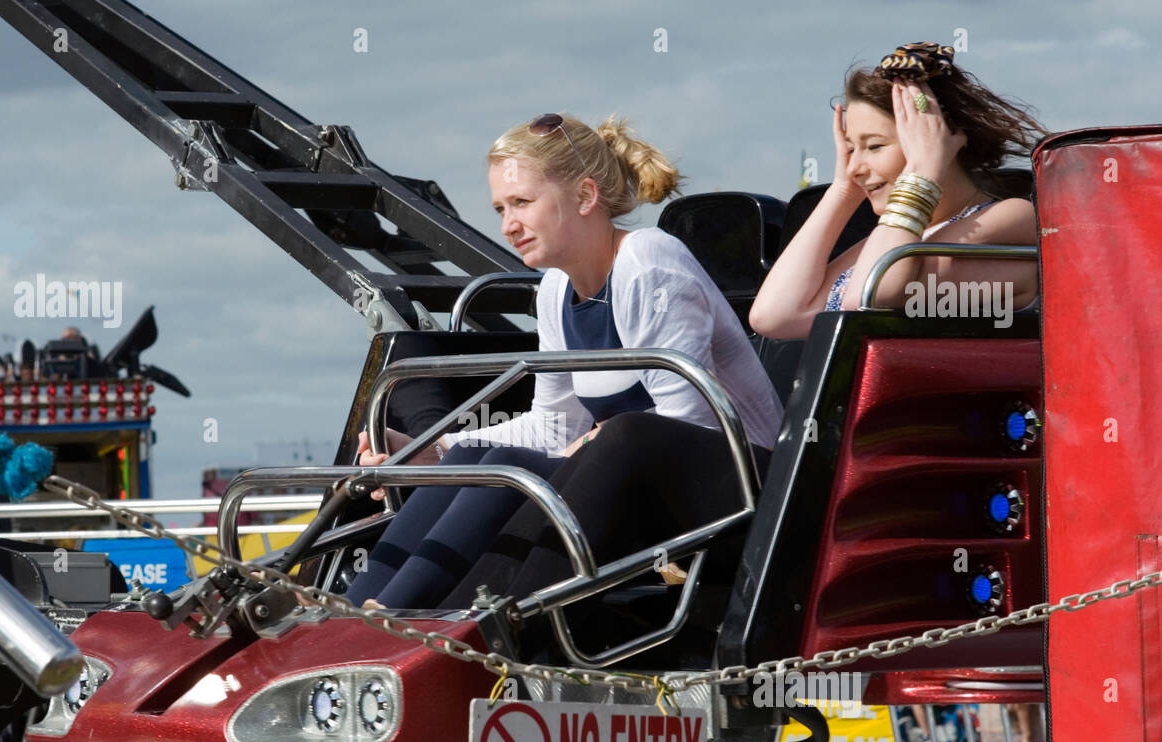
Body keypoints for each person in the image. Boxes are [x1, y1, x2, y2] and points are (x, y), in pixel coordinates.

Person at [345, 113, 783, 616]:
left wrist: (592, 444)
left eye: (522, 203)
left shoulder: (649, 262)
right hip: (650, 481)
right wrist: (433, 450)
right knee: (473, 458)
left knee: (613, 439)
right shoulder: (555, 289)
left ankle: (435, 625)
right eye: (501, 209)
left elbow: (688, 426)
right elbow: (554, 427)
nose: (509, 224)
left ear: (584, 197)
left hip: (744, 495)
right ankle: (354, 613)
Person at [749, 41, 1044, 339]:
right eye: (850, 150)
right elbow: (774, 317)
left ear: (936, 139)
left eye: (874, 146)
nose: (854, 168)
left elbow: (865, 299)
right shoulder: (896, 236)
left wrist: (922, 169)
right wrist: (842, 192)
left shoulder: (1011, 215)